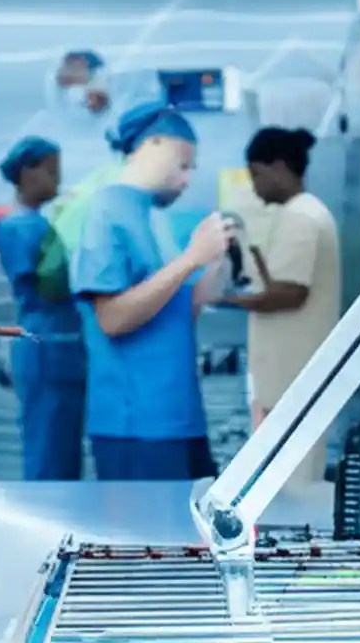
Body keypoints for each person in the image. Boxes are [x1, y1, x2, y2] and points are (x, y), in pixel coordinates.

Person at [71, 102, 231, 480]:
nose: (188, 179)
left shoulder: (154, 216)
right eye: (184, 165)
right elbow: (112, 318)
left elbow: (178, 310)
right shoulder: (107, 208)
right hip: (136, 422)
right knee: (144, 539)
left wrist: (216, 261)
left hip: (178, 418)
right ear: (154, 145)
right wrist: (191, 259)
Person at [224, 127, 341, 490]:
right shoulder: (305, 212)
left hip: (291, 377)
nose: (255, 186)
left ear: (278, 168)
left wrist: (224, 299)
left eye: (256, 175)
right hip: (290, 376)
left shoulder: (300, 217)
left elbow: (289, 294)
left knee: (289, 484)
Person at [0, 136, 87, 480]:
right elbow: (49, 285)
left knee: (62, 452)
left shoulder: (38, 224)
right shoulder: (18, 227)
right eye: (51, 172)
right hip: (46, 349)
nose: (57, 181)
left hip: (59, 349)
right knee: (48, 454)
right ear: (28, 171)